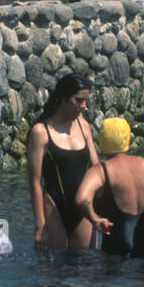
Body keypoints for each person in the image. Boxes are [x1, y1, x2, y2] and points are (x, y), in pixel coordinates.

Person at [75, 117, 144, 259]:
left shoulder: (100, 171)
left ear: (102, 141)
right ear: (127, 139)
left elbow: (81, 199)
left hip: (118, 243)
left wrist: (95, 220)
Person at [26, 73, 100, 251]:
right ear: (63, 98)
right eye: (78, 100)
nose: (83, 106)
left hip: (83, 208)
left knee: (86, 267)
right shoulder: (41, 132)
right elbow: (34, 182)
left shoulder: (83, 126)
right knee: (53, 271)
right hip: (54, 210)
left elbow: (97, 169)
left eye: (85, 101)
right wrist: (39, 227)